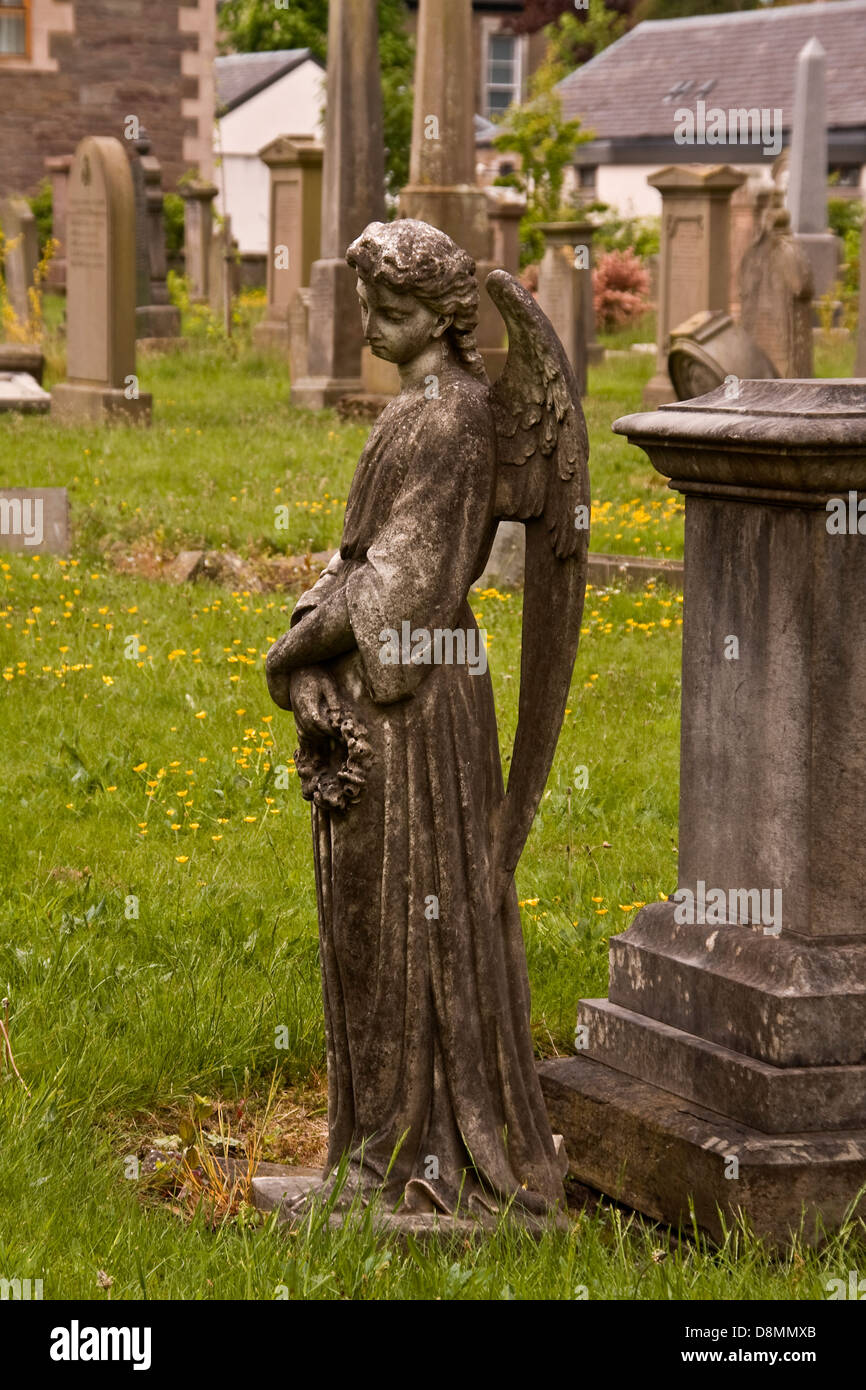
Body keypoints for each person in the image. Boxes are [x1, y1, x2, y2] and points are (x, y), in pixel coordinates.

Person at [266, 220, 565, 1219]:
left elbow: (403, 582)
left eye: (389, 309)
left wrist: (294, 652)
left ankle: (407, 1156)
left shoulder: (448, 418)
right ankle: (374, 1145)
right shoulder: (417, 405)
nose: (368, 326)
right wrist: (307, 657)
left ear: (445, 313)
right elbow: (357, 561)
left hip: (417, 696)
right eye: (364, 306)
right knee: (366, 921)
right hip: (379, 684)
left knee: (403, 922)